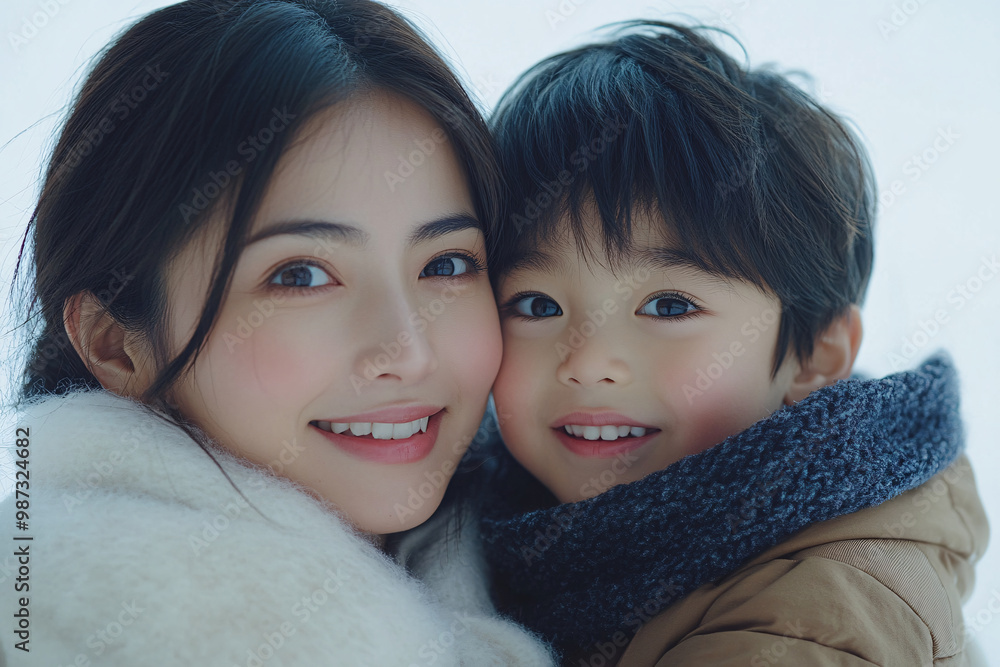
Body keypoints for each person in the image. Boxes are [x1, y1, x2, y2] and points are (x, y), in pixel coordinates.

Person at [0, 0, 555, 664]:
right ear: (116, 342)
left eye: (446, 264)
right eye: (300, 276)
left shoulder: (549, 550)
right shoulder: (67, 622)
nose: (408, 352)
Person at [477, 21, 988, 665]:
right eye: (536, 305)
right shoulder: (495, 516)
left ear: (817, 354)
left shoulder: (826, 604)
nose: (587, 363)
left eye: (668, 306)